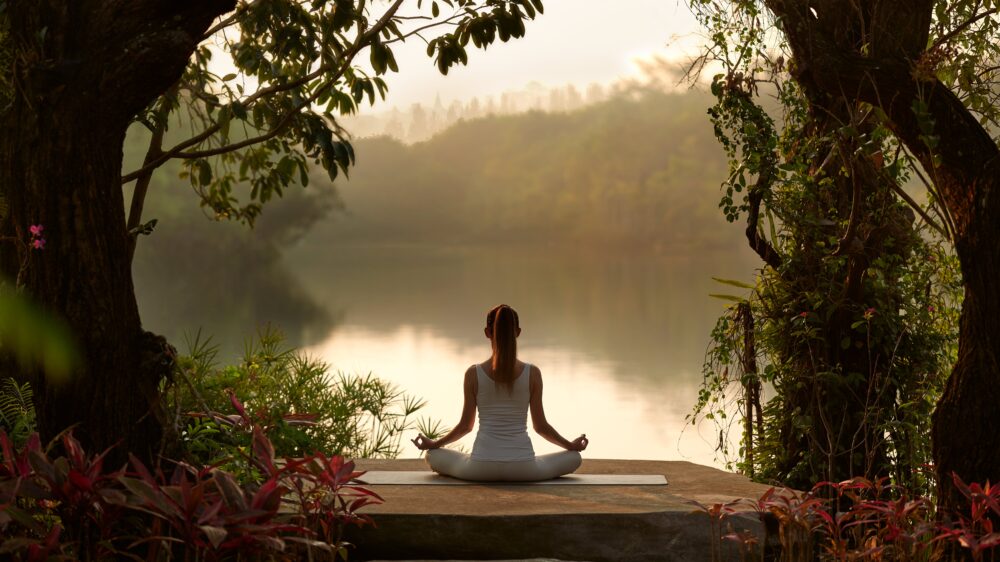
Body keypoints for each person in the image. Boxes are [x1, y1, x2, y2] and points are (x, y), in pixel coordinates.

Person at [411, 304, 588, 481]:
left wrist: (434, 444)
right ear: (518, 332)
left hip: (480, 469)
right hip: (524, 470)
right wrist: (570, 446)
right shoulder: (532, 373)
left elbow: (466, 426)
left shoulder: (474, 374)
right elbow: (540, 427)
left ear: (487, 332)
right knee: (574, 458)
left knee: (432, 455)